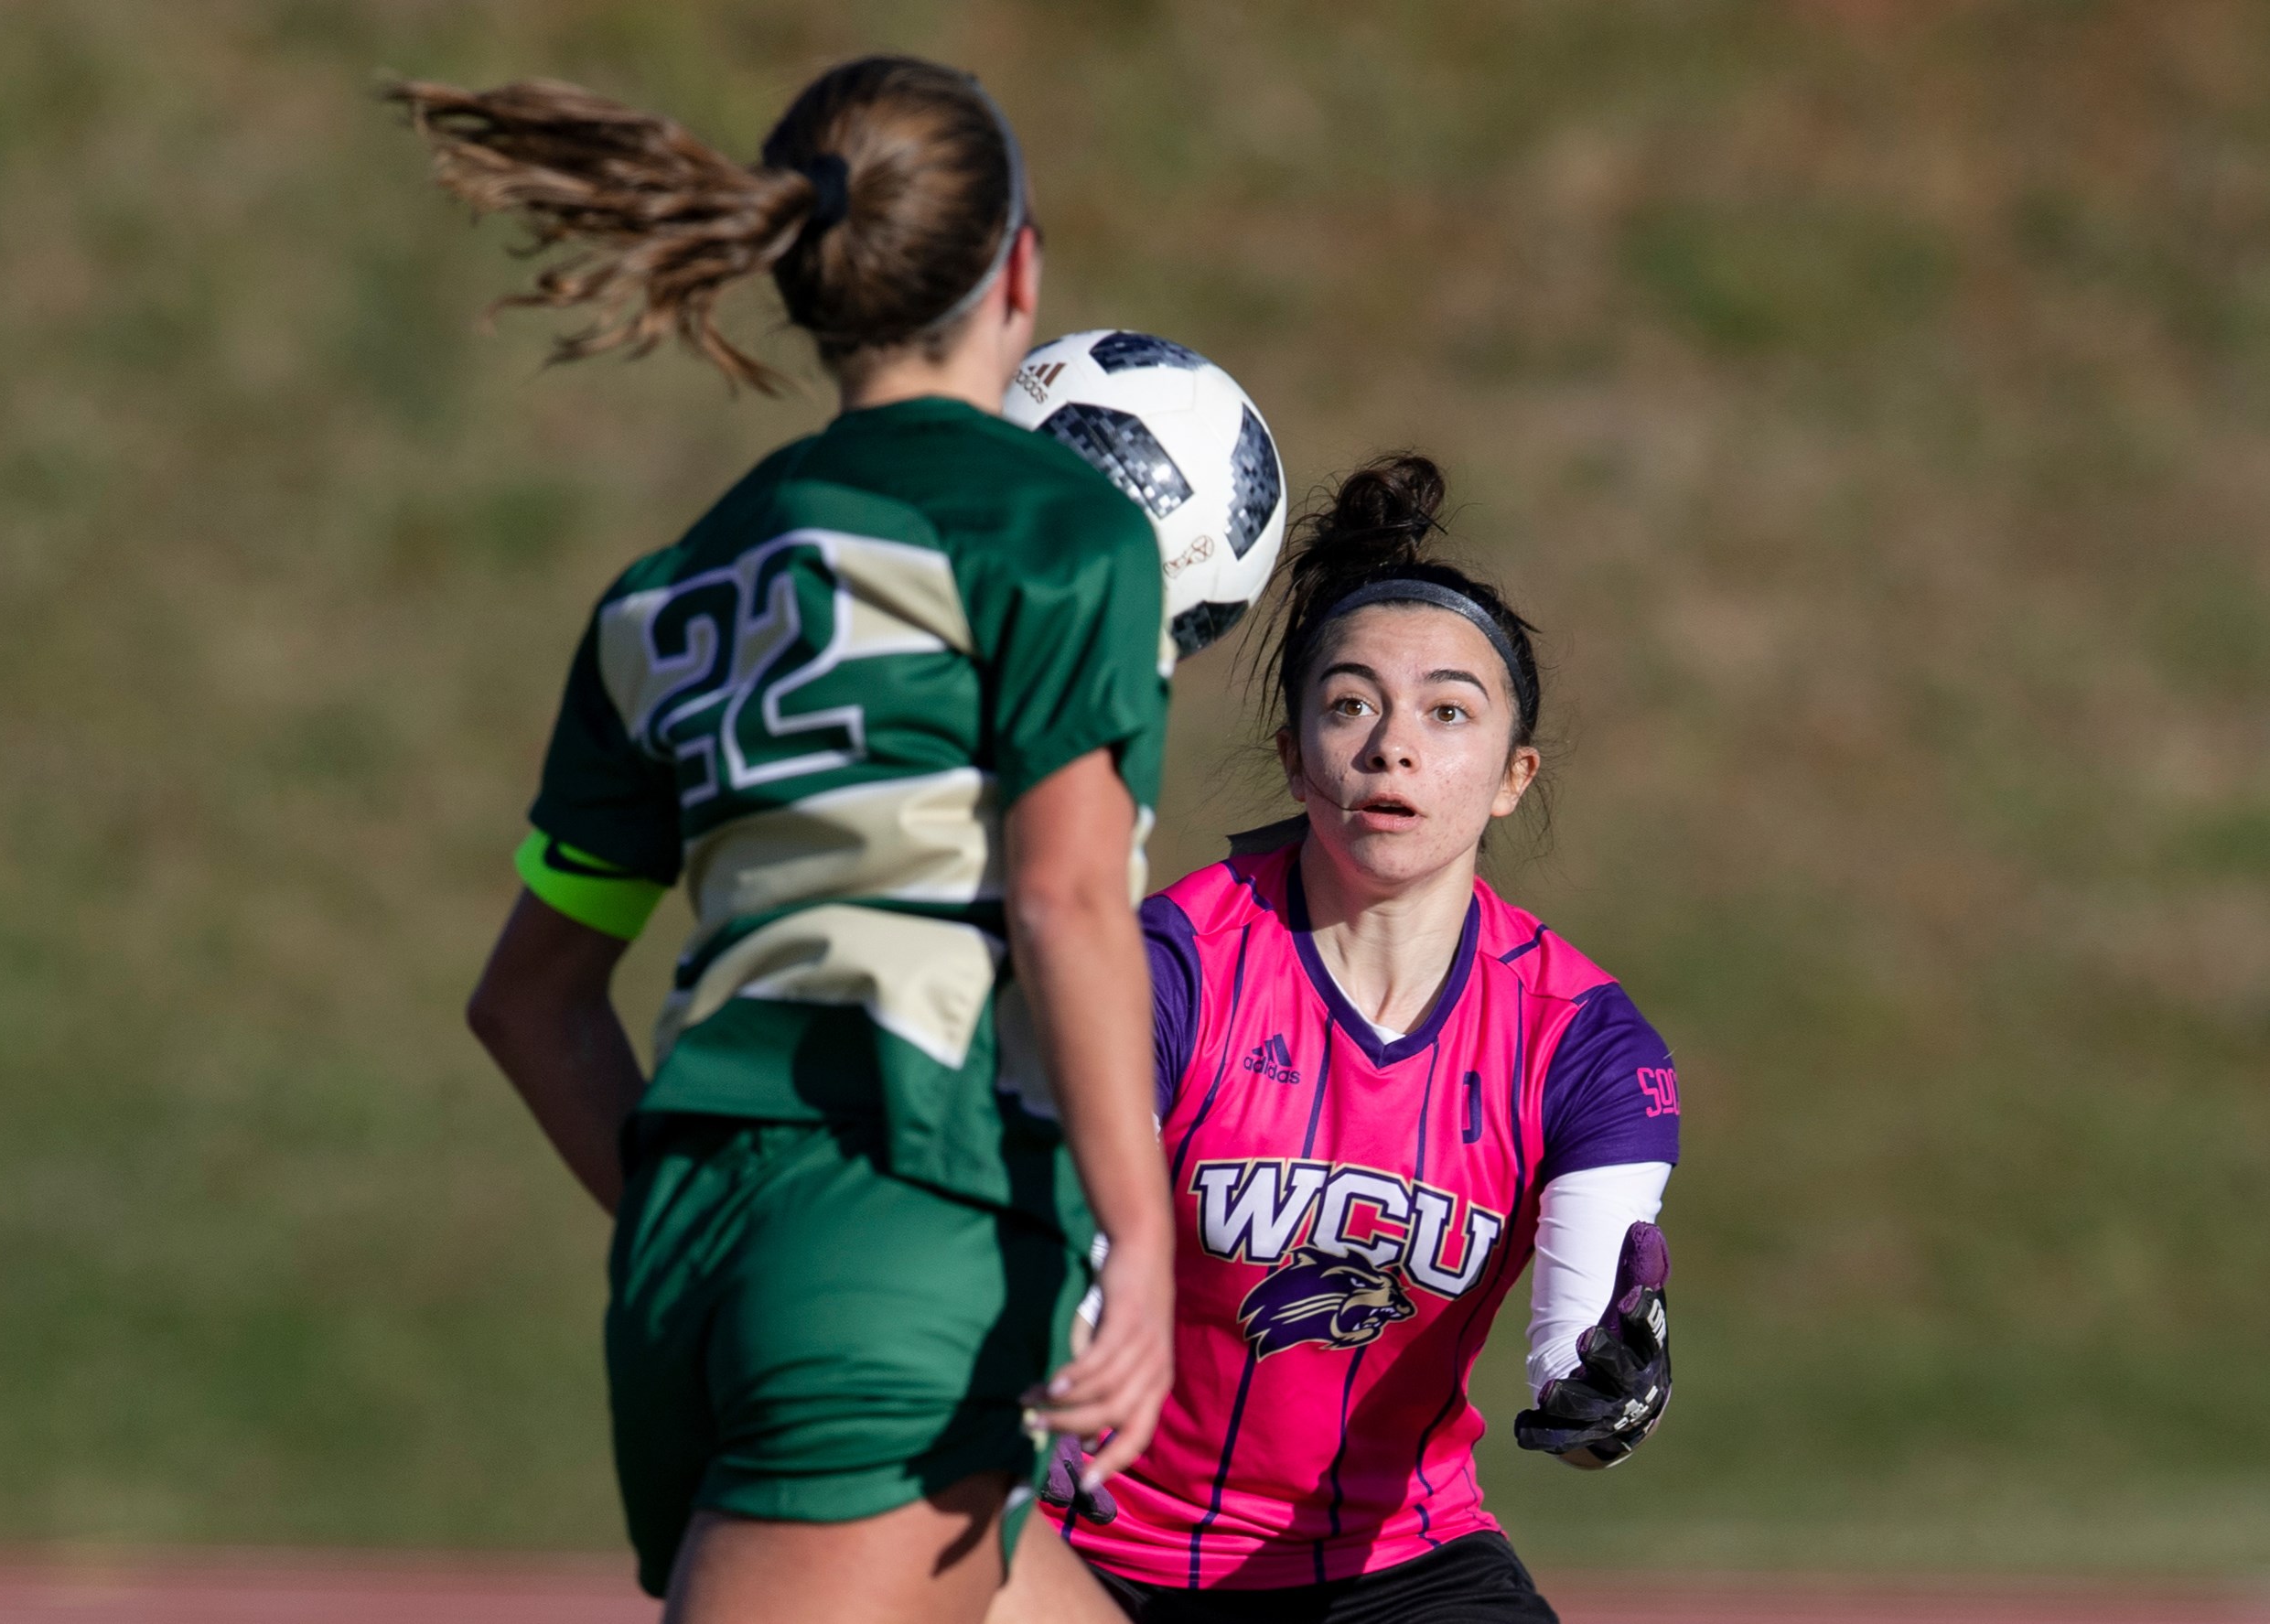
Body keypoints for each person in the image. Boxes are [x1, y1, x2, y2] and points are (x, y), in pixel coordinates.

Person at [412, 59, 1174, 1624]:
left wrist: (732, 1244)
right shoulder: (1053, 526)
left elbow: (529, 1000)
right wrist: (1145, 1233)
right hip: (908, 1212)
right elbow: (1063, 891)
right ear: (1017, 266)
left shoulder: (669, 589)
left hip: (711, 1228)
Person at [1033, 456, 1680, 1623]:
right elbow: (1059, 1238)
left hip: (1390, 1573)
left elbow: (1569, 1377)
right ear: (1294, 755)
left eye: (1447, 711)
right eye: (1348, 703)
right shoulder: (1166, 964)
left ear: (1510, 777)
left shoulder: (1582, 1041)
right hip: (1085, 1549)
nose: (1392, 746)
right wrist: (1040, 1373)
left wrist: (1605, 1394)